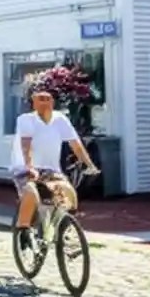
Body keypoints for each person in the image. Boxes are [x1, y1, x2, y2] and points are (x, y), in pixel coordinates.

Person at [11, 88, 99, 247]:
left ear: (53, 102)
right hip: (25, 167)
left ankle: (63, 230)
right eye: (40, 99)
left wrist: (90, 165)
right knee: (32, 191)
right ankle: (23, 229)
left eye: (47, 99)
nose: (44, 102)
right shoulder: (26, 119)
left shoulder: (60, 119)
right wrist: (30, 167)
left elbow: (75, 144)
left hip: (51, 170)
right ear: (33, 103)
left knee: (68, 192)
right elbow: (26, 145)